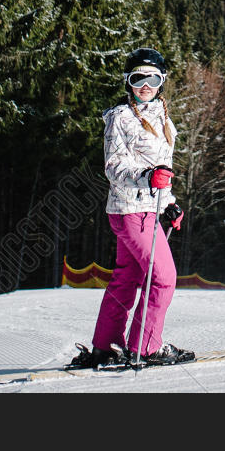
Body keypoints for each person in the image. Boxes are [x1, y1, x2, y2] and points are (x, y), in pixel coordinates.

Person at [76, 47, 195, 368]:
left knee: (127, 278)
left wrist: (170, 204)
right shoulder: (121, 118)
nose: (146, 85)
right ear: (127, 81)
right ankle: (145, 347)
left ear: (162, 81)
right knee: (163, 278)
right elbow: (114, 166)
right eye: (138, 78)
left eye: (153, 78)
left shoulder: (162, 117)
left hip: (146, 210)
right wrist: (146, 177)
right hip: (131, 210)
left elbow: (162, 171)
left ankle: (105, 346)